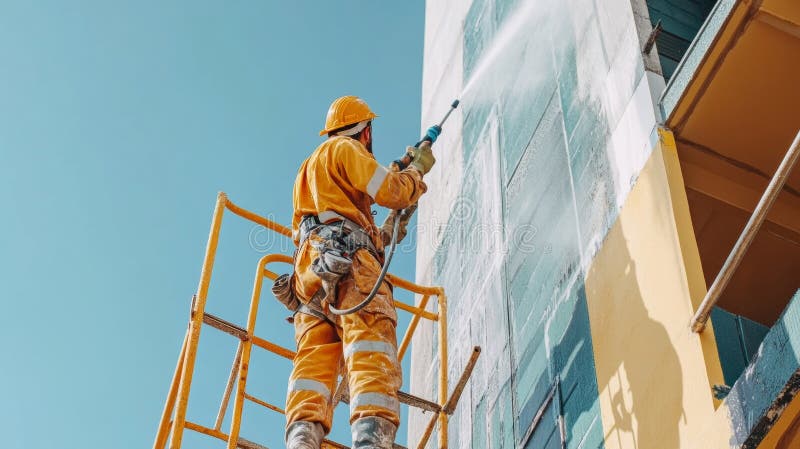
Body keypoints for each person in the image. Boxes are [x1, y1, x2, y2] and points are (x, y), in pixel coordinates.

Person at [285, 95, 438, 449]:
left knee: (314, 362)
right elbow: (391, 190)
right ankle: (372, 441)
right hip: (350, 266)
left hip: (311, 272)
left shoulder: (308, 170)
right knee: (370, 348)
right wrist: (417, 171)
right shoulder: (346, 149)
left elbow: (348, 217)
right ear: (365, 132)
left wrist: (387, 228)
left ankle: (302, 440)